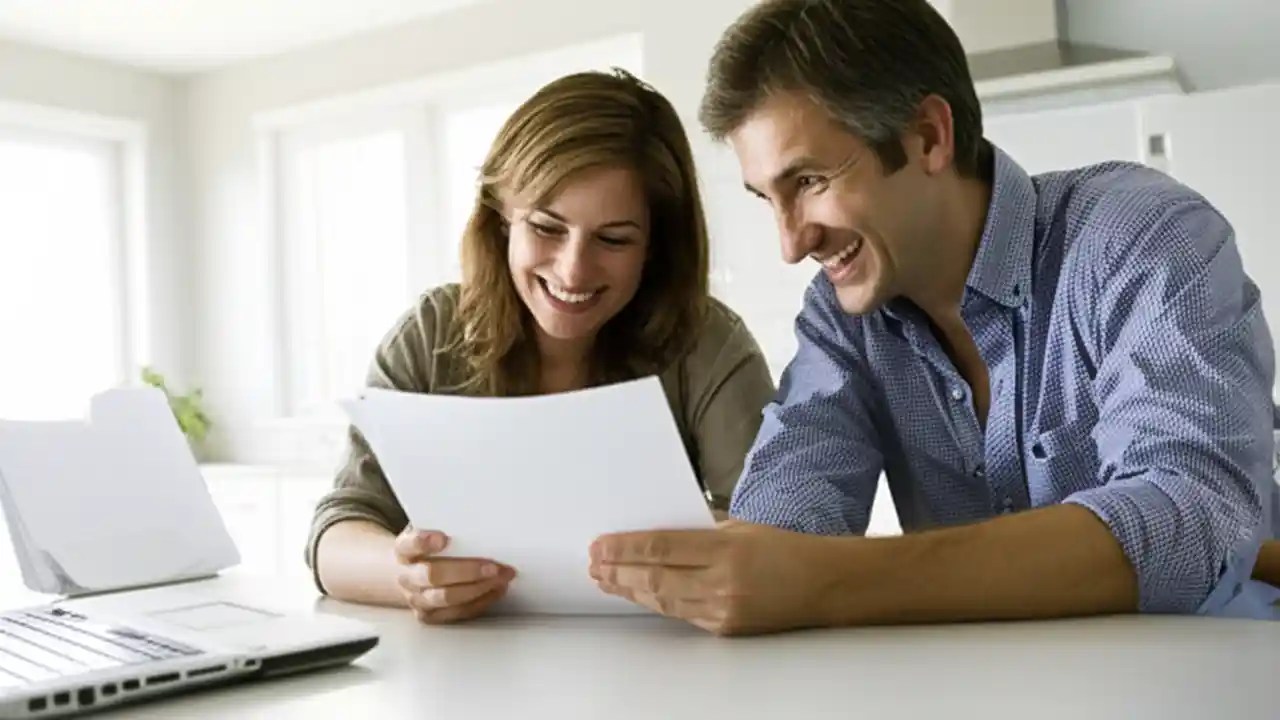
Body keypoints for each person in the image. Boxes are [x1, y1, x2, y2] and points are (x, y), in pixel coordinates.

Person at [589, 0, 1280, 635]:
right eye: (768, 198)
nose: (792, 244)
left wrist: (832, 579)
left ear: (927, 136)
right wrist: (724, 565)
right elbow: (787, 517)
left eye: (810, 181)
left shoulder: (1139, 236)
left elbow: (1194, 519)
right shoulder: (844, 315)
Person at [307, 69, 776, 624]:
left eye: (613, 239)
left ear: (656, 247)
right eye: (547, 228)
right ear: (501, 220)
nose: (573, 270)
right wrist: (406, 578)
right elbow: (337, 533)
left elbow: (776, 536)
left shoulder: (707, 344)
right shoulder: (430, 335)